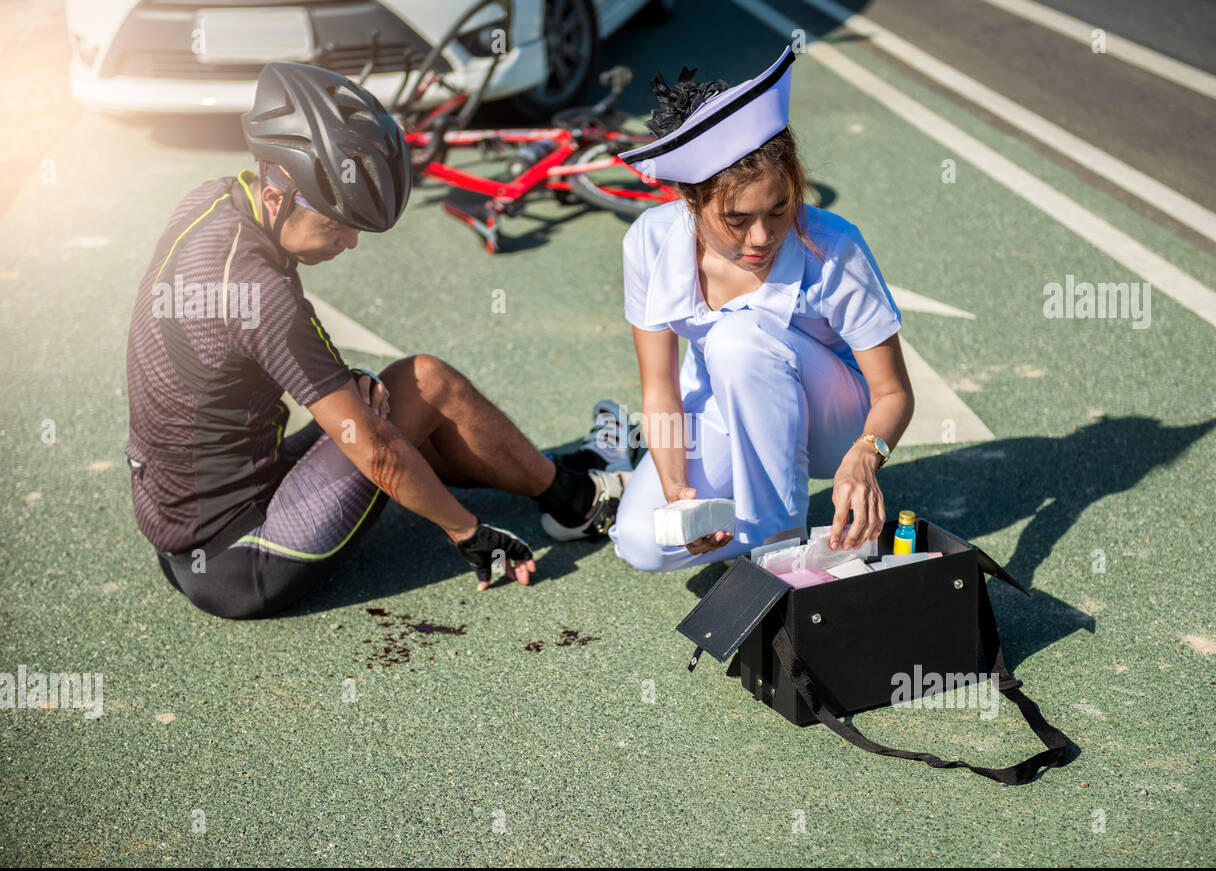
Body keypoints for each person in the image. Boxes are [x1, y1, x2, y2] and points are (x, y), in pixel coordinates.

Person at [125, 62, 627, 619]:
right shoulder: (261, 297)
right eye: (338, 224)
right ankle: (577, 503)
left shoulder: (212, 202)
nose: (351, 242)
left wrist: (348, 387)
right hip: (241, 558)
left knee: (379, 399)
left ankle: (553, 469)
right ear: (276, 194)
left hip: (179, 526)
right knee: (423, 384)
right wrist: (467, 531)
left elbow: (222, 356)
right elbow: (379, 453)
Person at [608, 47, 915, 572]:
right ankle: (759, 531)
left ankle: (781, 545)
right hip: (729, 399)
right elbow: (659, 388)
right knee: (642, 542)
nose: (763, 236)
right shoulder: (648, 243)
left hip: (836, 421)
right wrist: (680, 493)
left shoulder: (834, 244)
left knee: (738, 340)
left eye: (779, 209)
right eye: (736, 218)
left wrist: (866, 455)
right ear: (689, 200)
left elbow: (893, 393)